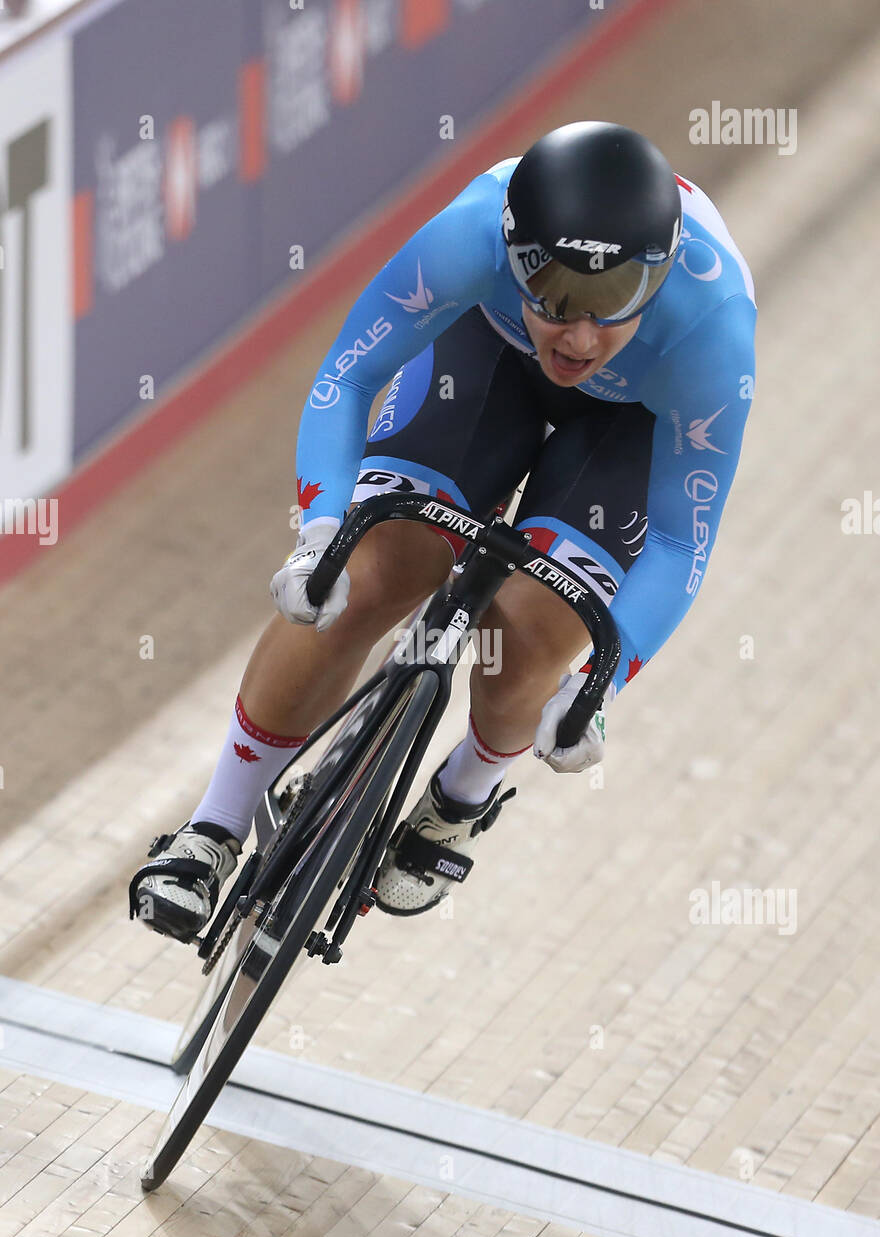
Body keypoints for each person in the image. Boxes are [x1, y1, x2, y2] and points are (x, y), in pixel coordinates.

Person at [130, 121, 756, 937]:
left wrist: (600, 687)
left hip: (632, 422)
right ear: (513, 252)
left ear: (660, 279)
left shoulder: (712, 332)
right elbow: (348, 376)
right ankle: (214, 824)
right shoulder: (470, 232)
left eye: (610, 309)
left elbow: (679, 542)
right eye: (557, 296)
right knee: (368, 574)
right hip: (490, 358)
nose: (578, 337)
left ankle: (458, 797)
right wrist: (321, 531)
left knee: (533, 632)